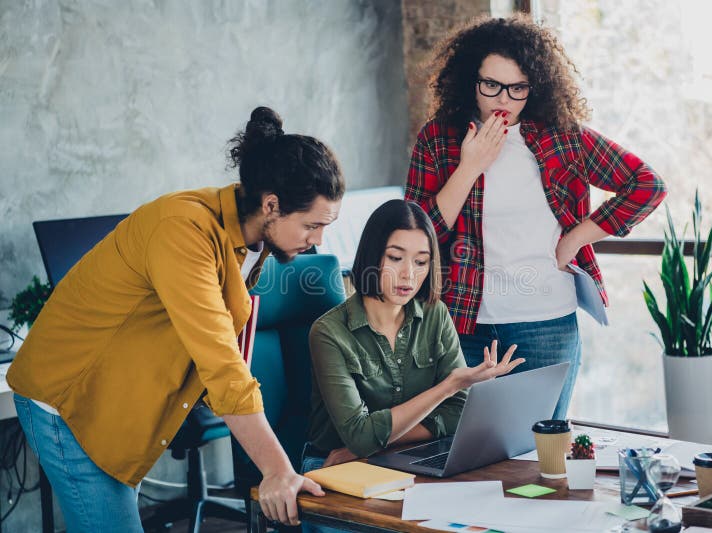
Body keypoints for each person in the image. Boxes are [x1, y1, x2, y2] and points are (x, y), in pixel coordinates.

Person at [7, 106, 344, 531]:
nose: (317, 242)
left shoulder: (249, 242)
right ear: (271, 204)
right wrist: (277, 470)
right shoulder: (183, 231)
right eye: (312, 226)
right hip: (67, 401)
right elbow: (221, 362)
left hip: (113, 401)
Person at [405, 15, 667, 420]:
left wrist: (576, 238)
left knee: (538, 455)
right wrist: (469, 166)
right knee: (463, 450)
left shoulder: (563, 137)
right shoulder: (438, 139)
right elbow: (417, 234)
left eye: (517, 88)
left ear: (536, 87)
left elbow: (646, 185)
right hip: (461, 323)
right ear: (469, 79)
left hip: (544, 323)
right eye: (490, 85)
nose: (502, 100)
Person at [304, 200, 523, 474]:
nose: (409, 274)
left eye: (421, 262)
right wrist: (448, 386)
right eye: (395, 258)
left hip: (401, 455)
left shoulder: (435, 315)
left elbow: (458, 413)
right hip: (334, 465)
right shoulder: (329, 332)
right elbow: (359, 436)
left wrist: (375, 443)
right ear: (373, 255)